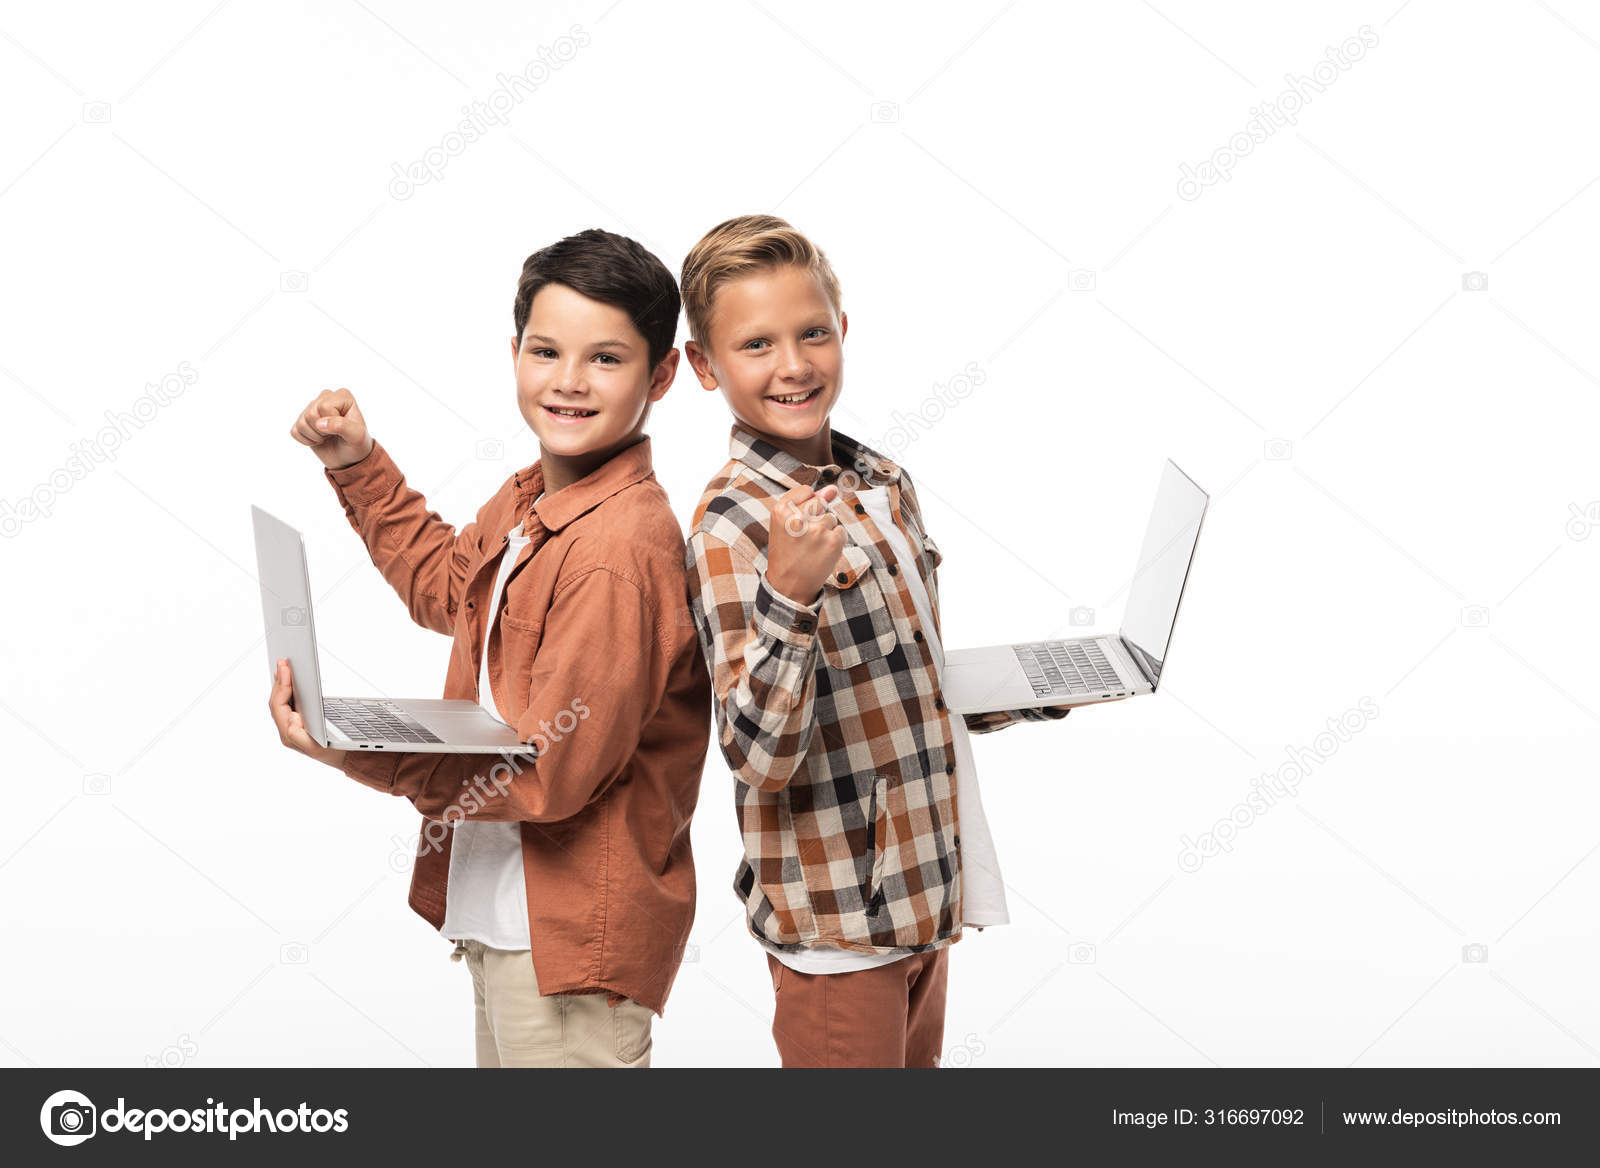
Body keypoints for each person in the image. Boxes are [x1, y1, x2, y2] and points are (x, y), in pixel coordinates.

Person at [268, 228, 710, 1067]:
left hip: (567, 949)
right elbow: (446, 587)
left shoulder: (618, 550)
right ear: (514, 353)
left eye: (606, 359)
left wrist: (352, 752)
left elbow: (549, 772)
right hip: (508, 923)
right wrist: (357, 465)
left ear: (660, 377)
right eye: (546, 351)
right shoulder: (533, 500)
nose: (569, 382)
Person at [680, 214, 1089, 1068]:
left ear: (843, 329)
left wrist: (1048, 680)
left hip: (922, 893)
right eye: (756, 344)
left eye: (812, 332)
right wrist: (788, 594)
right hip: (837, 920)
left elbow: (902, 682)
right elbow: (756, 753)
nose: (793, 365)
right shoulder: (731, 526)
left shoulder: (882, 481)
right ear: (703, 366)